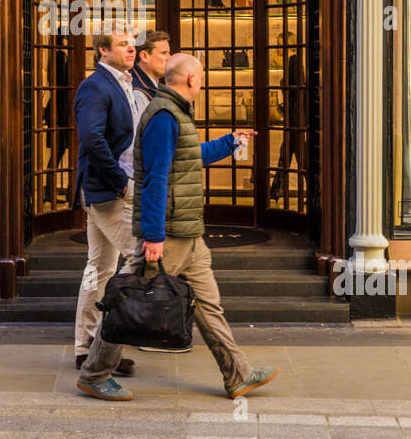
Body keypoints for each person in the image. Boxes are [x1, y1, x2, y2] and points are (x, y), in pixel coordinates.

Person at [77, 53, 279, 401]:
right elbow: (156, 178)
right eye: (201, 76)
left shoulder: (175, 113)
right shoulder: (164, 117)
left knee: (208, 304)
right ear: (190, 80)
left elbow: (188, 156)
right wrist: (154, 236)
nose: (202, 81)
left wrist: (229, 142)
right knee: (128, 300)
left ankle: (239, 375)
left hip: (189, 233)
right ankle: (94, 373)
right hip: (168, 234)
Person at [71, 28, 141, 375]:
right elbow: (92, 140)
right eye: (123, 44)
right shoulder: (95, 86)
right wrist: (121, 183)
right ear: (102, 50)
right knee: (143, 258)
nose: (131, 47)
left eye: (132, 42)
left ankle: (87, 349)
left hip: (107, 191)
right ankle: (104, 349)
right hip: (107, 193)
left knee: (97, 270)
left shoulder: (123, 82)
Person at [130, 30, 170, 113]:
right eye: (164, 53)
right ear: (144, 56)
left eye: (168, 53)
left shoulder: (149, 86)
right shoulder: (137, 93)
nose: (169, 58)